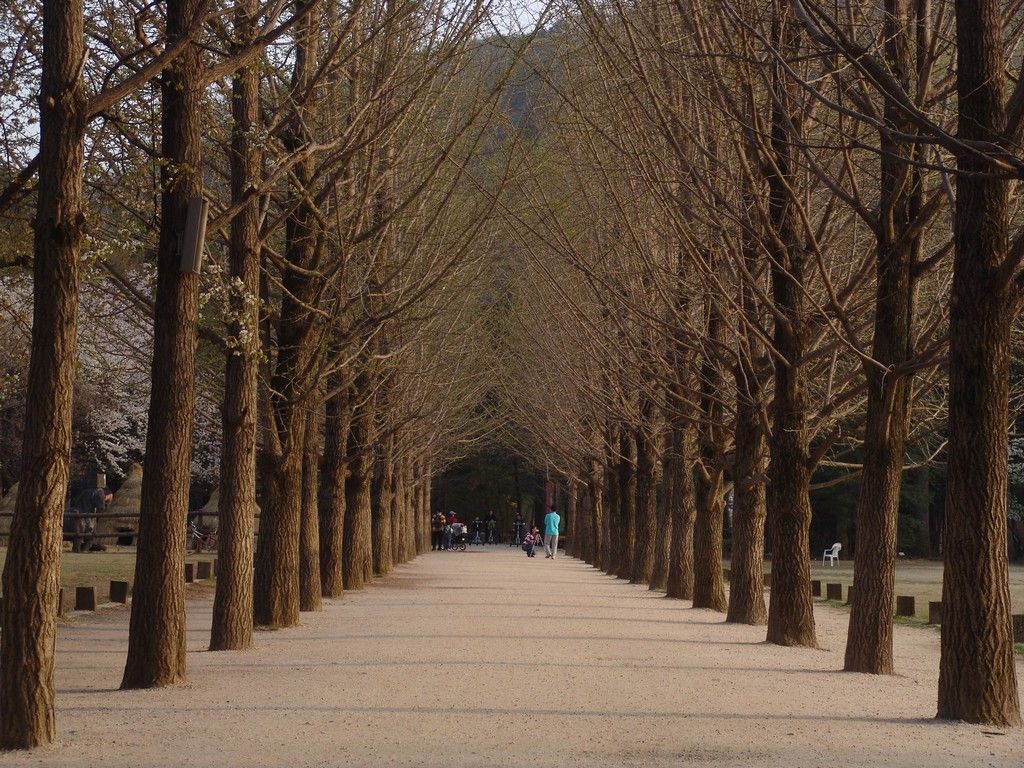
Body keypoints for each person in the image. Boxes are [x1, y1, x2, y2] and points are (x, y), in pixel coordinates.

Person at [71, 485, 112, 553]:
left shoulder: (94, 494)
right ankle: (79, 549)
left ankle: (84, 549)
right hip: (82, 517)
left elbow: (108, 498)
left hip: (87, 517)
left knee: (90, 535)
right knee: (82, 531)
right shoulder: (90, 494)